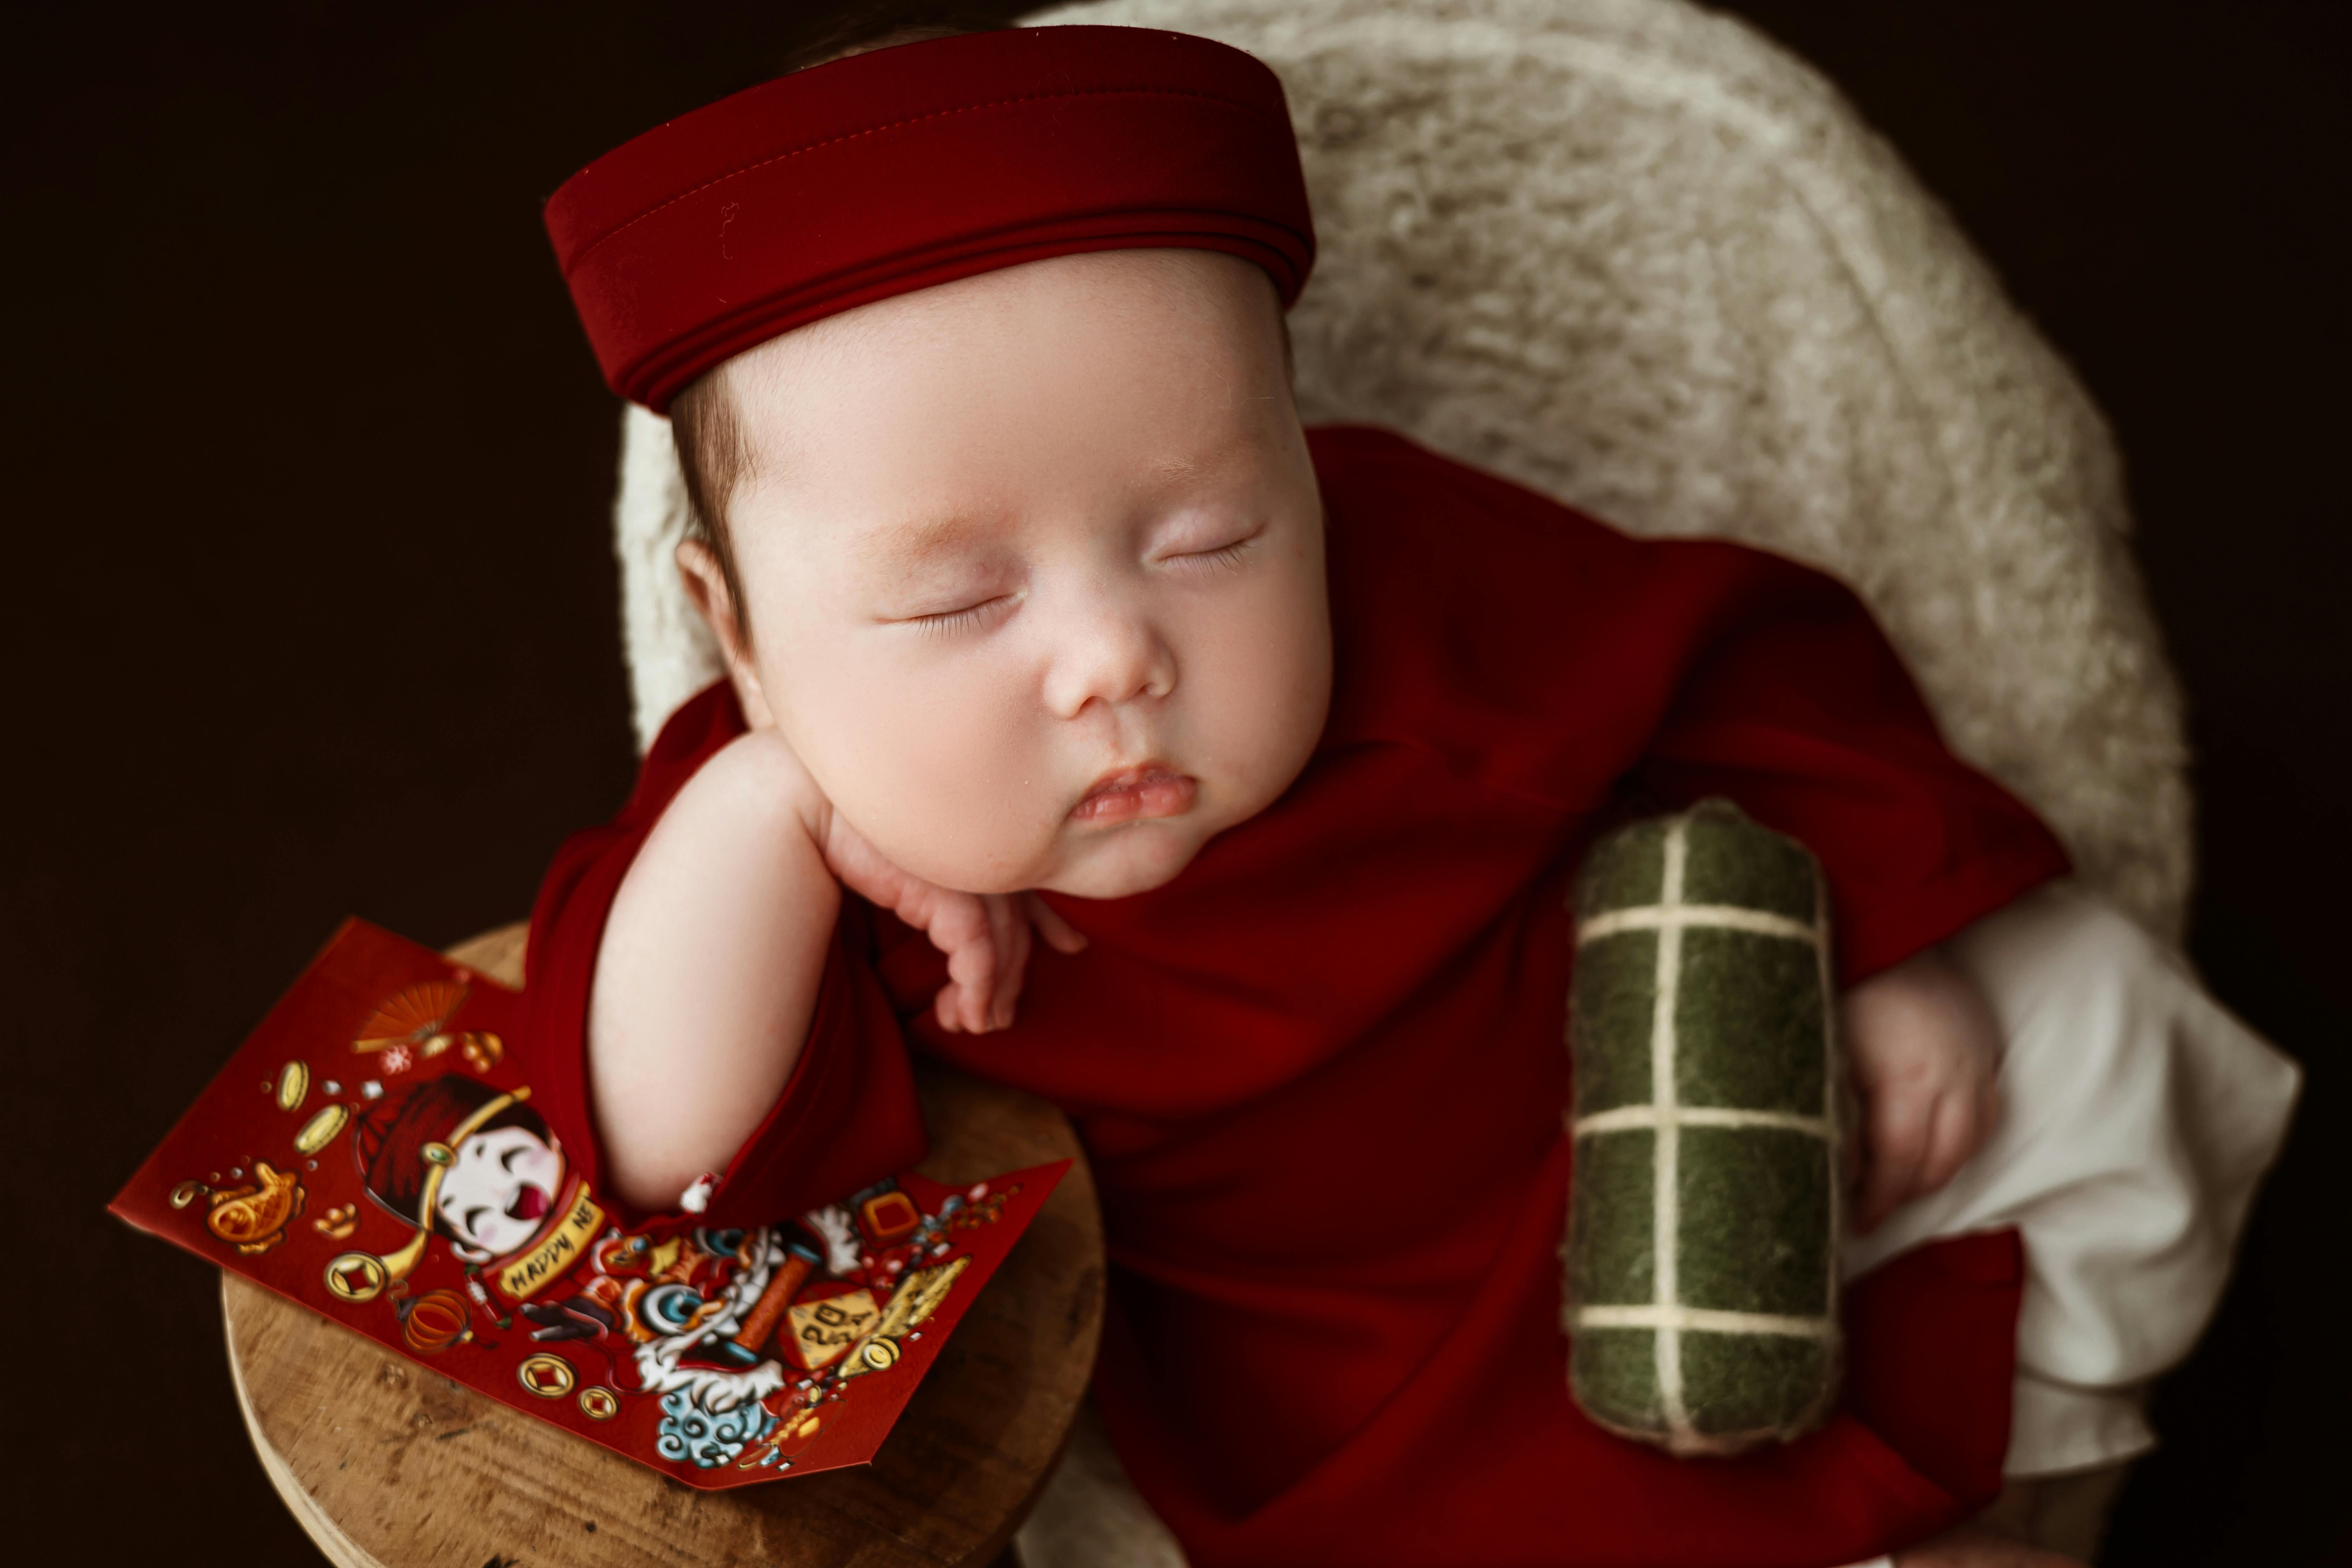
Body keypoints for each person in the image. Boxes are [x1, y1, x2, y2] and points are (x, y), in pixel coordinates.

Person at [517, 20, 2297, 1567]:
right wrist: (771, 807)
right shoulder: (780, 840)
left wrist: (1892, 944)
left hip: (1686, 1076)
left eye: (1208, 536)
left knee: (2087, 1010)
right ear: (739, 632)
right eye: (956, 602)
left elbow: (1727, 665)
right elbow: (660, 1145)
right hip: (1385, 1385)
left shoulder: (1410, 577)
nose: (1114, 656)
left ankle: (2000, 1446)